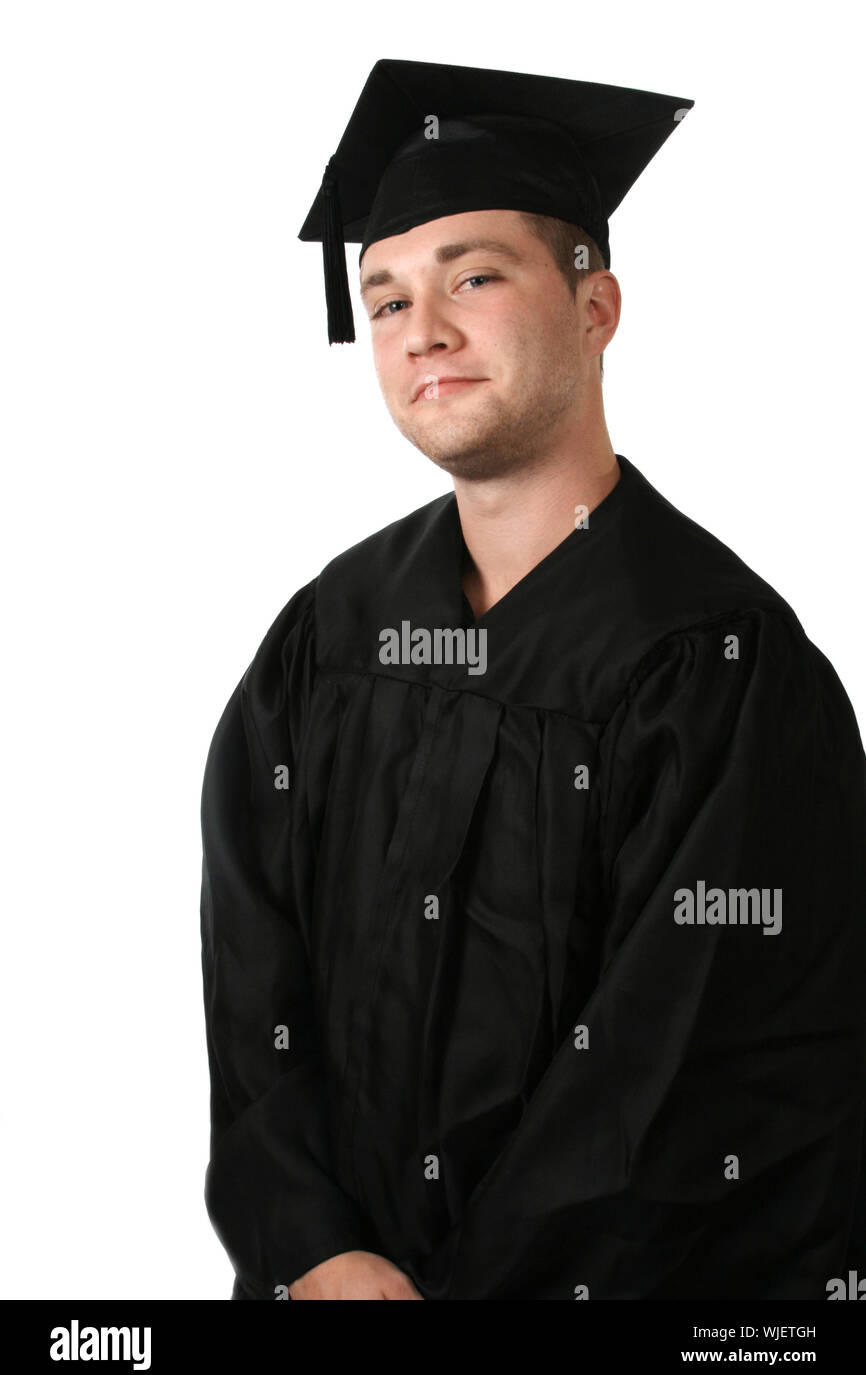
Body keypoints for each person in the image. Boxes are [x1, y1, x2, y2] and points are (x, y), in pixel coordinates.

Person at [199, 59, 866, 1300]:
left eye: (475, 275)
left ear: (595, 306)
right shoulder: (326, 637)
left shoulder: (716, 665)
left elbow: (686, 1076)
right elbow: (252, 975)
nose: (423, 333)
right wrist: (316, 1245)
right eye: (385, 298)